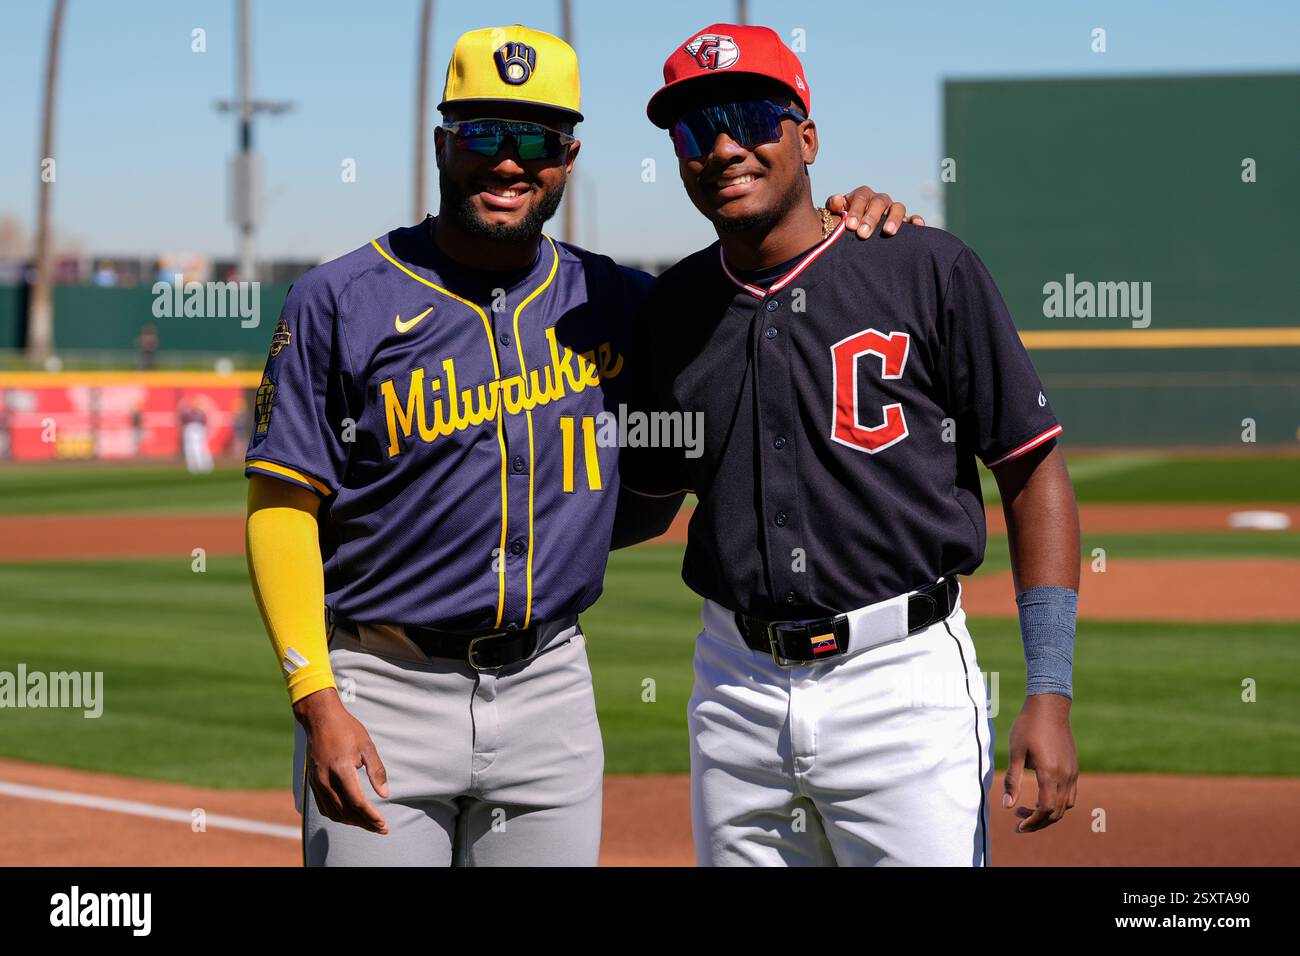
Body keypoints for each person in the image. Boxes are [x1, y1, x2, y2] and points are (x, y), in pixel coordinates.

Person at [244, 24, 917, 867]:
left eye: (537, 140)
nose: (508, 162)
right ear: (446, 143)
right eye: (485, 134)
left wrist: (848, 218)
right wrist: (315, 695)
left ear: (568, 157)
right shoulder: (338, 299)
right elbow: (280, 507)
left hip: (550, 690)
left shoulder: (623, 300)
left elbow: (758, 281)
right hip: (381, 686)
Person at [625, 23, 1081, 866]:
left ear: (807, 136)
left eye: (751, 117)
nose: (724, 146)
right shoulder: (672, 310)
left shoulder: (924, 267)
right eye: (694, 129)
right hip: (735, 687)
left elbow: (1029, 463)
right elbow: (642, 499)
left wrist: (1049, 690)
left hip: (900, 679)